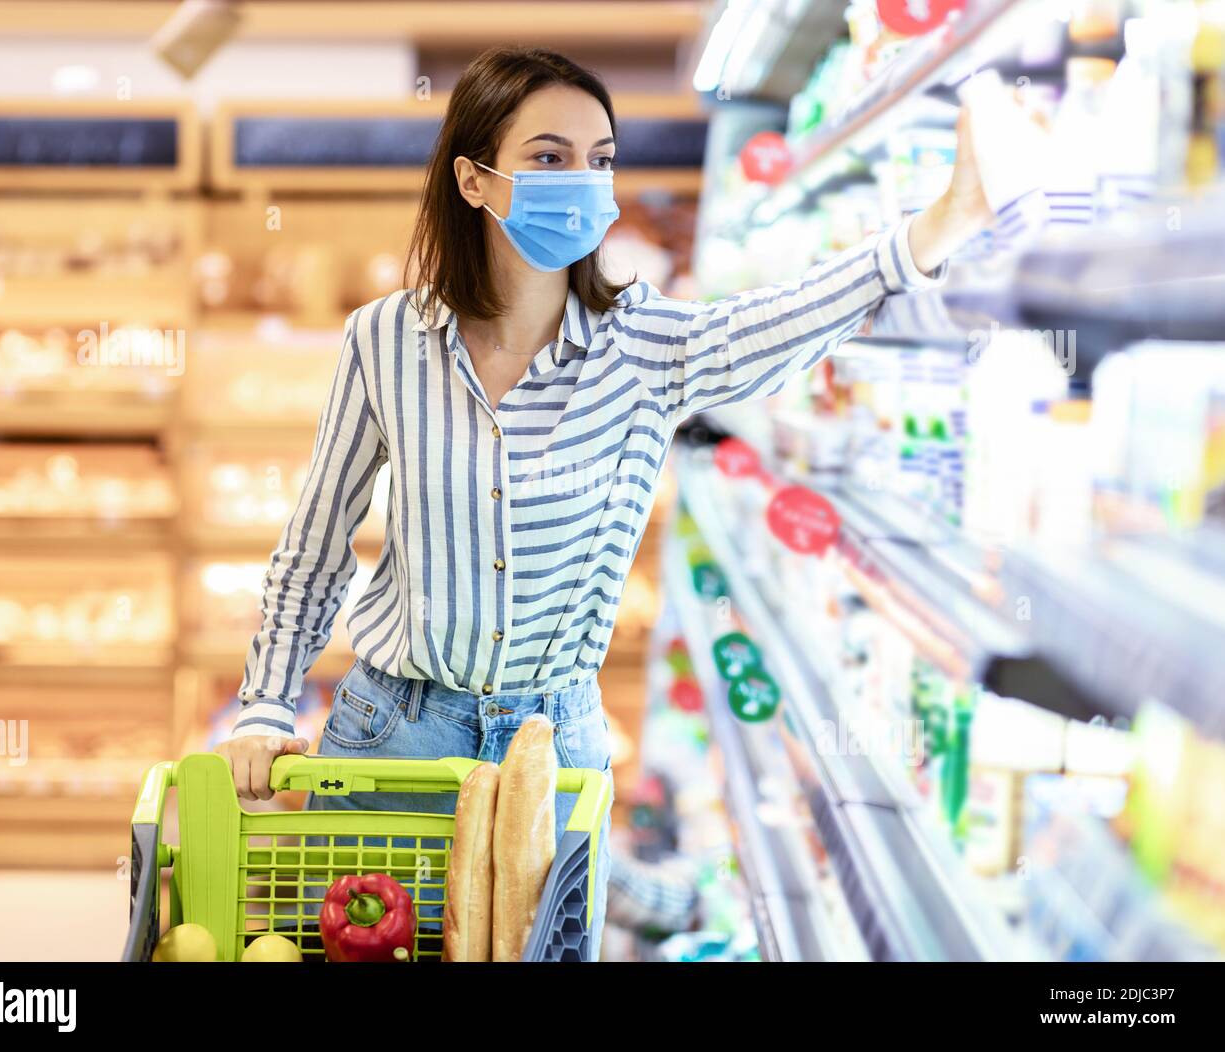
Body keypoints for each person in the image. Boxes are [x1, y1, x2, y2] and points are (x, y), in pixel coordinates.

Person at [215, 45, 993, 959]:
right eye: (548, 158)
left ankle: (651, 899)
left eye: (600, 159)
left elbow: (779, 320)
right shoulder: (385, 340)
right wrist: (267, 704)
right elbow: (317, 544)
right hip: (394, 735)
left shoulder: (647, 345)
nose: (582, 183)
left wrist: (932, 231)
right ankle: (655, 899)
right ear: (474, 179)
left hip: (557, 746)